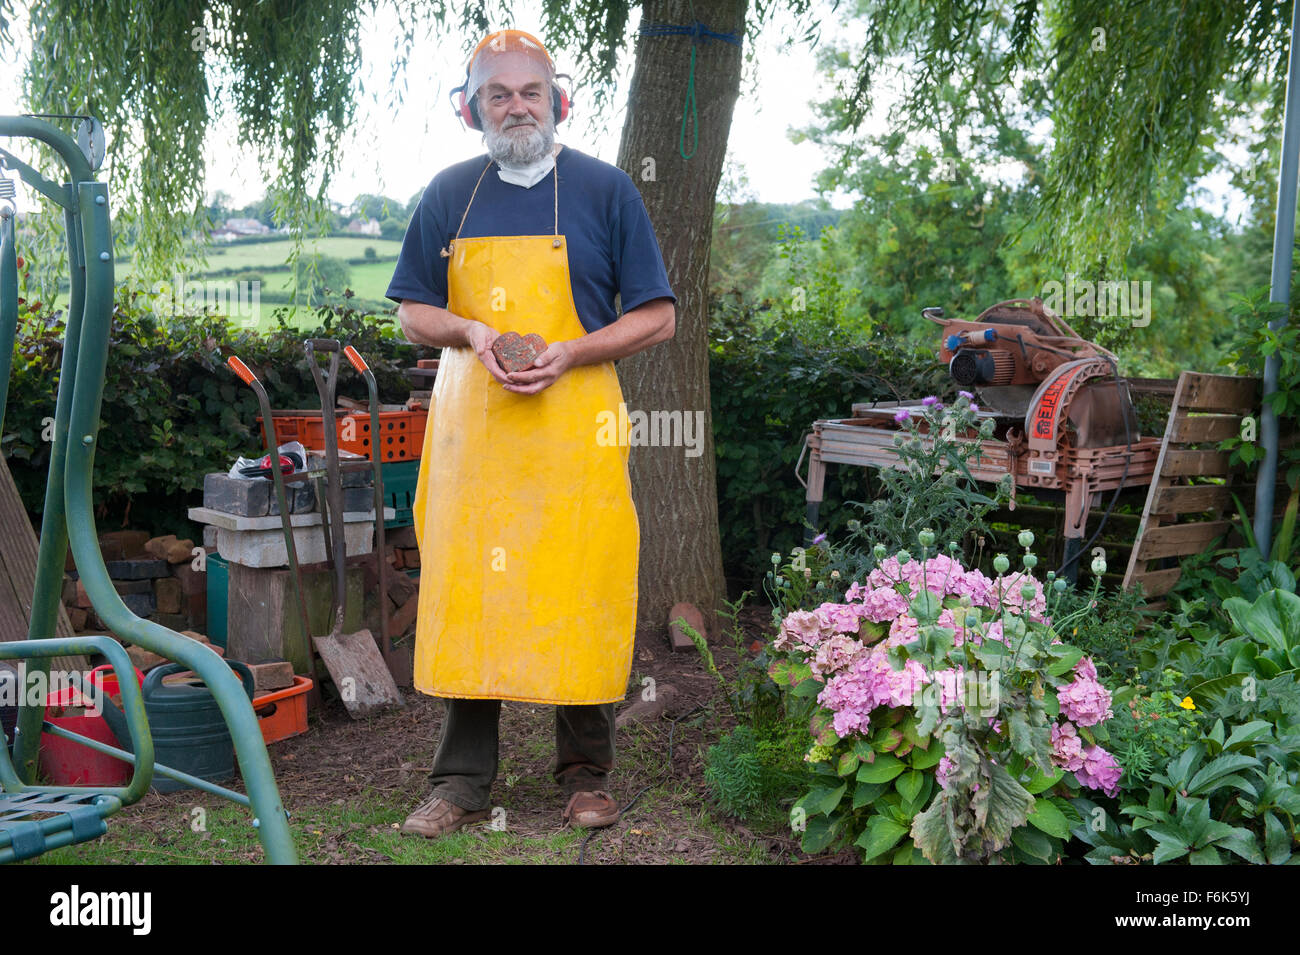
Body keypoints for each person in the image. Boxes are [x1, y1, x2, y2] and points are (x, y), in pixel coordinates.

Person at [385, 29, 676, 837]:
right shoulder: (448, 193)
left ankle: (587, 776)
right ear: (470, 108)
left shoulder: (608, 192)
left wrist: (572, 351)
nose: (516, 105)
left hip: (574, 430)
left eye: (530, 92)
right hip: (472, 438)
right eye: (498, 94)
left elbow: (657, 316)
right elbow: (412, 309)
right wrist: (475, 334)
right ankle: (459, 782)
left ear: (560, 102)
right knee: (472, 592)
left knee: (581, 584)